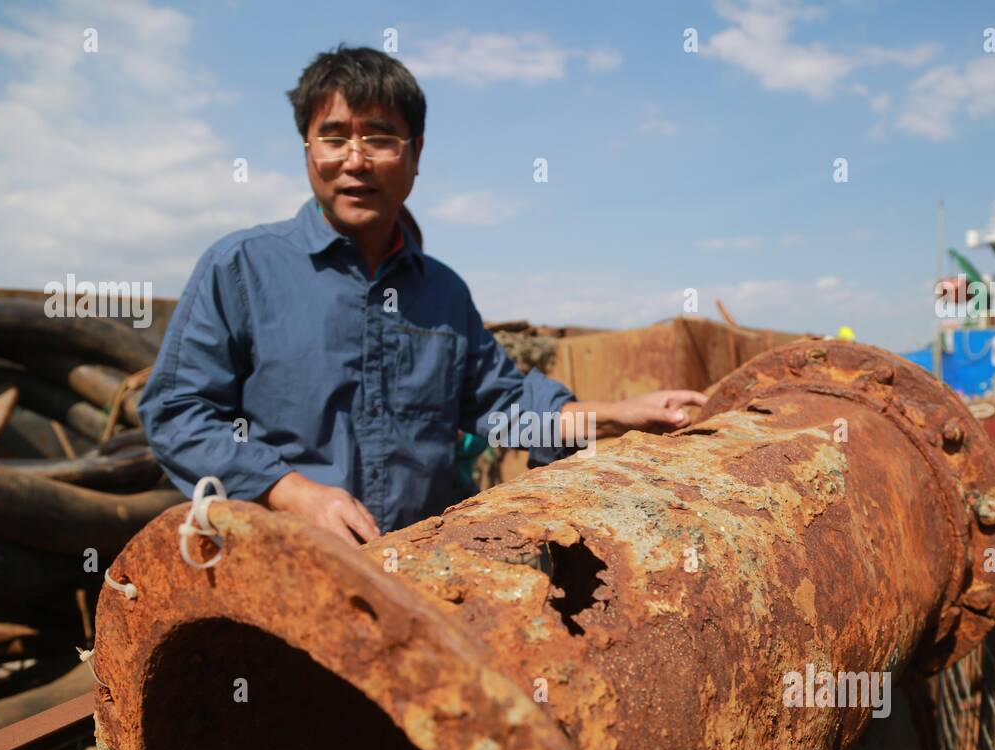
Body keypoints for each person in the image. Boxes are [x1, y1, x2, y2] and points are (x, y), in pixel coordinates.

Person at [138, 45, 706, 545]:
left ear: (416, 153)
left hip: (417, 575)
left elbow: (504, 409)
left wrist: (619, 415)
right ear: (307, 149)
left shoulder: (442, 293)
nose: (354, 160)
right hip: (277, 573)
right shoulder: (240, 269)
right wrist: (292, 493)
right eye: (333, 137)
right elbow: (178, 413)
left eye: (379, 138)